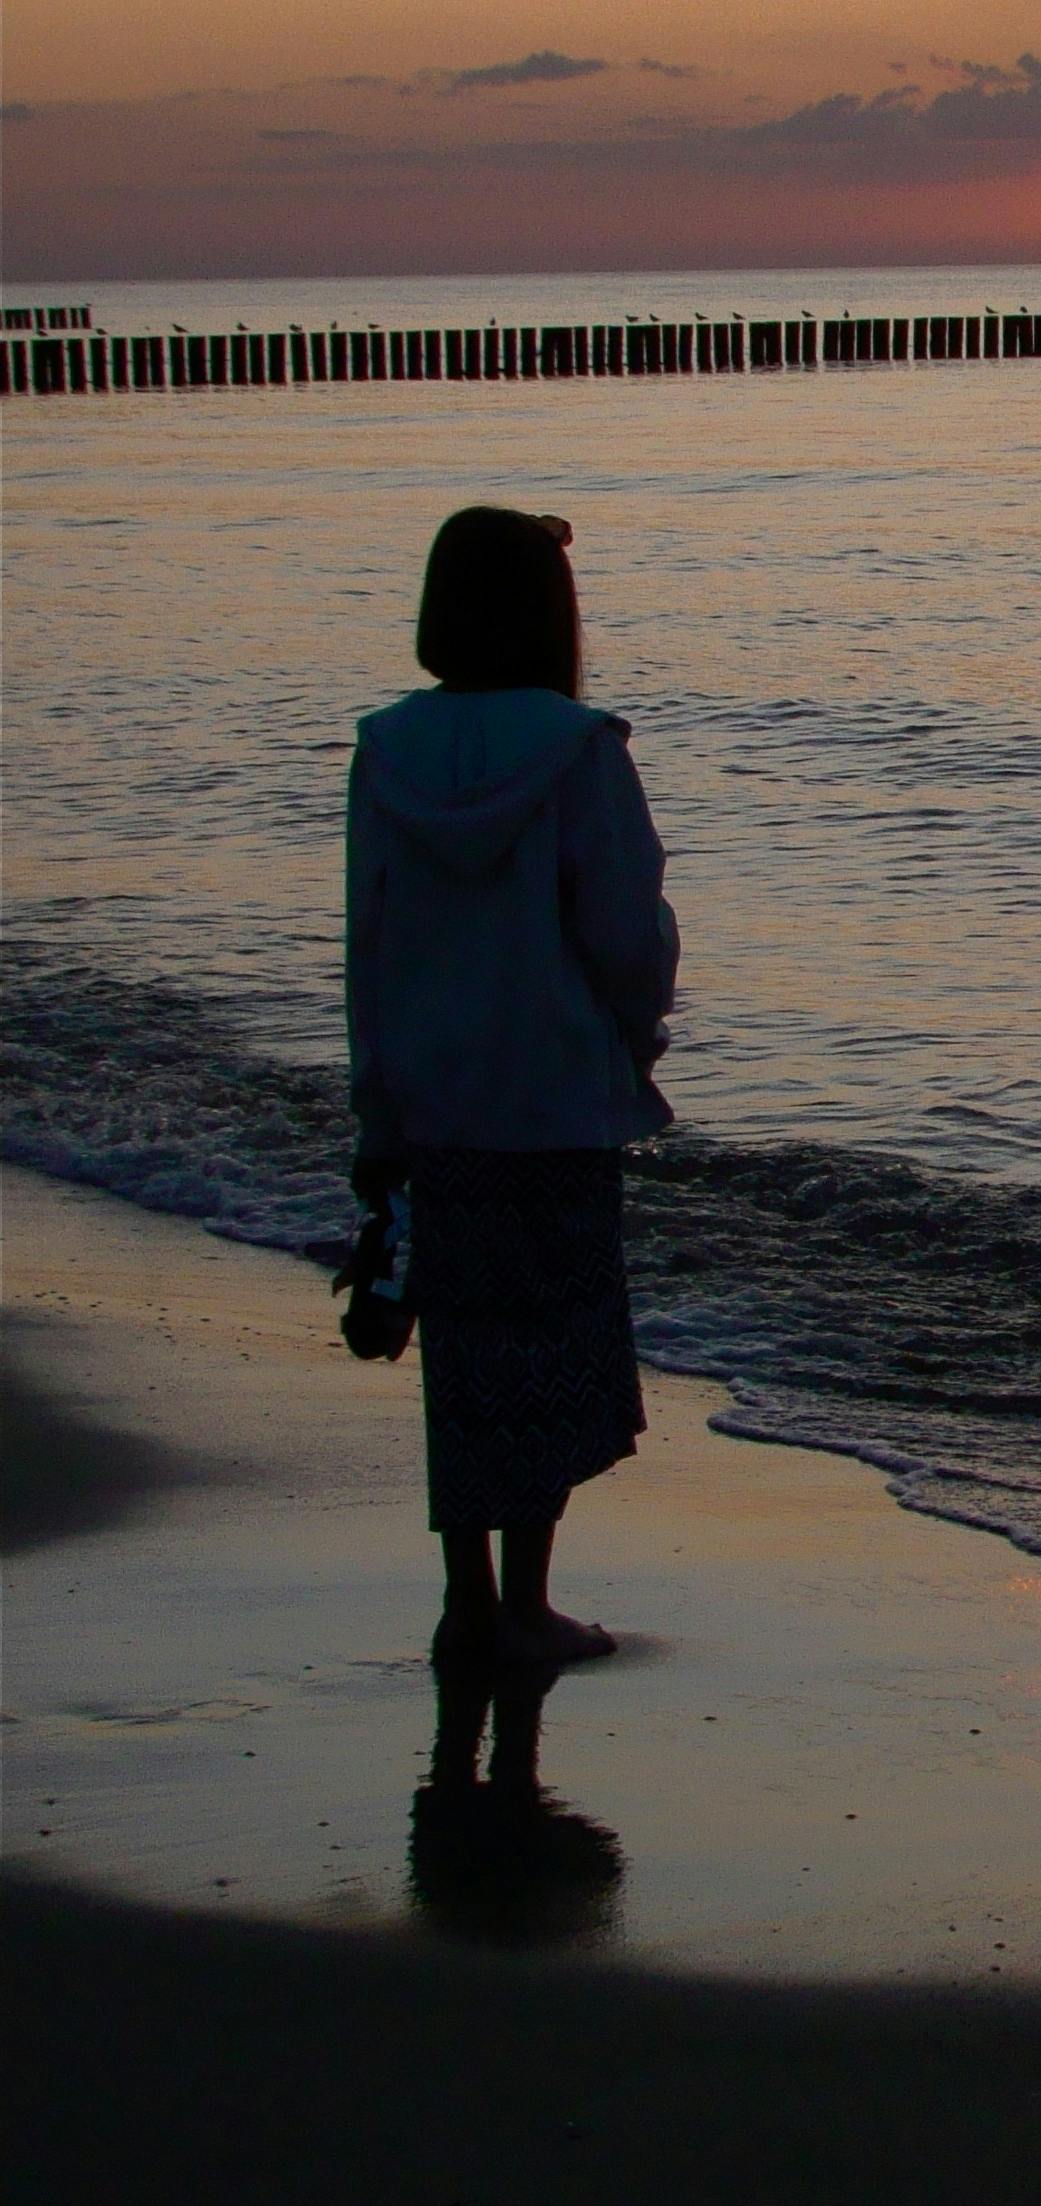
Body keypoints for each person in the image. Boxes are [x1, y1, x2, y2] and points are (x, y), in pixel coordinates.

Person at [346, 504, 679, 1666]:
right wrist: (636, 1038)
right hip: (551, 1102)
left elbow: (368, 943)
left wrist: (376, 1106)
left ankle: (464, 1600)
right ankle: (527, 1600)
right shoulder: (580, 751)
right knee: (551, 1350)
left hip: (439, 1098)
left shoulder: (384, 751)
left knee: (467, 1353)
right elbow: (625, 932)